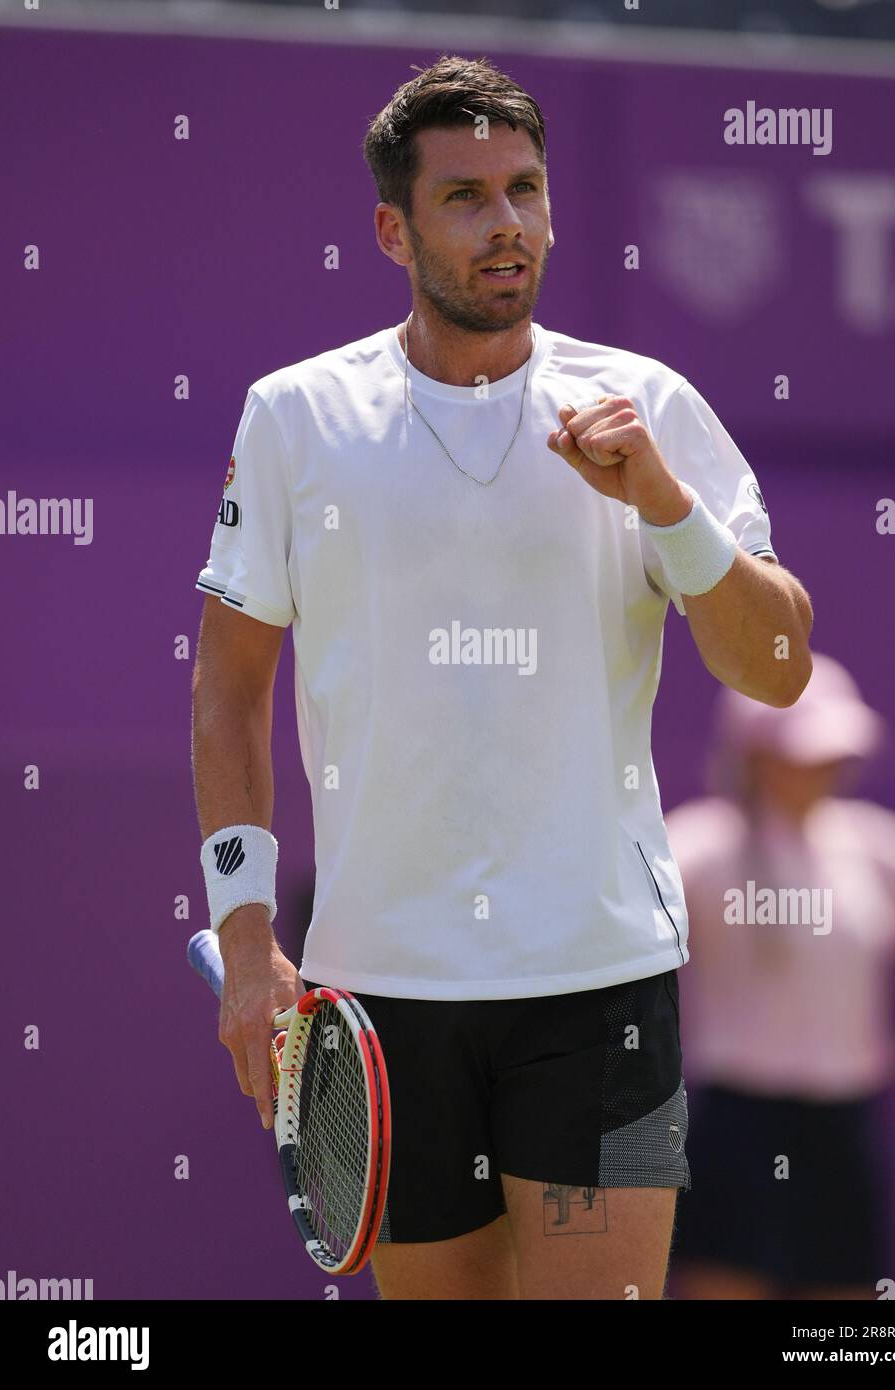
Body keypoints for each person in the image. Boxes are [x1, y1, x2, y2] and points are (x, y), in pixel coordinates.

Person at [190, 54, 813, 1301]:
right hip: (383, 997)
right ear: (393, 228)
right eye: (467, 196)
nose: (508, 224)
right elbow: (228, 688)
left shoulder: (647, 408)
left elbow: (781, 663)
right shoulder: (295, 416)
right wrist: (249, 932)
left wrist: (667, 507)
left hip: (601, 984)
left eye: (526, 189)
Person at [666, 653, 895, 1300]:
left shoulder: (870, 844)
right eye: (802, 753)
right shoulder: (695, 846)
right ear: (752, 756)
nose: (821, 768)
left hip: (844, 1126)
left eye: (829, 753)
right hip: (734, 1125)